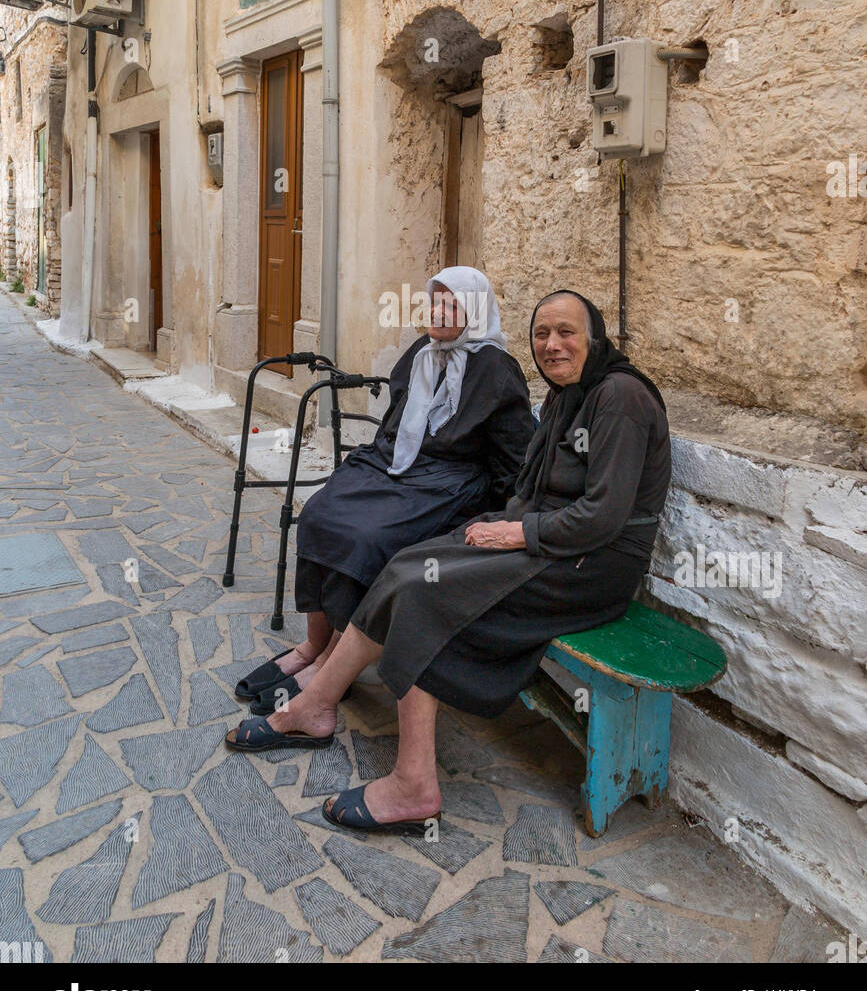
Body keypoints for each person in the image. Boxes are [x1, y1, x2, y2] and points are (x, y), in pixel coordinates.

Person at [225, 289, 671, 839]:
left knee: (425, 595)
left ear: (595, 337)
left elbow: (602, 518)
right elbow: (529, 484)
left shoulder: (620, 398)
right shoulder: (567, 396)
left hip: (588, 567)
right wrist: (493, 529)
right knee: (409, 564)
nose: (551, 345)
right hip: (547, 545)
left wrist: (515, 531)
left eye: (566, 333)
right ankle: (315, 706)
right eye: (541, 335)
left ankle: (415, 786)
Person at [235, 265, 535, 714]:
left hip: (448, 481)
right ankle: (312, 646)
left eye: (452, 304)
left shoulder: (496, 369)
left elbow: (514, 454)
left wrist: (502, 516)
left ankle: (335, 664)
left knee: (366, 538)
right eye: (435, 300)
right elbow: (396, 421)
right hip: (395, 462)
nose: (438, 310)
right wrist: (376, 462)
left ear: (474, 312)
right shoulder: (421, 351)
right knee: (320, 512)